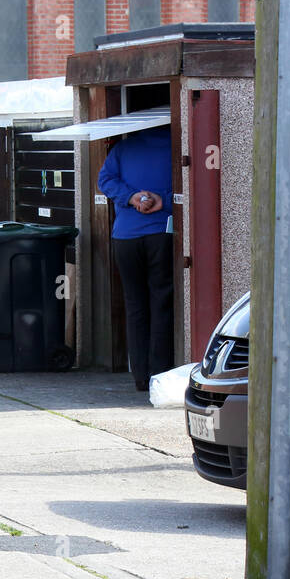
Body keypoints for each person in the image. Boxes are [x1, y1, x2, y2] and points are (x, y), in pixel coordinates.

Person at [97, 125, 174, 392]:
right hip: (161, 233)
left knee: (135, 304)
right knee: (162, 302)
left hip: (125, 237)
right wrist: (162, 200)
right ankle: (160, 373)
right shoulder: (177, 144)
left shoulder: (122, 148)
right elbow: (189, 184)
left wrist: (132, 197)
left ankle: (140, 375)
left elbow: (105, 180)